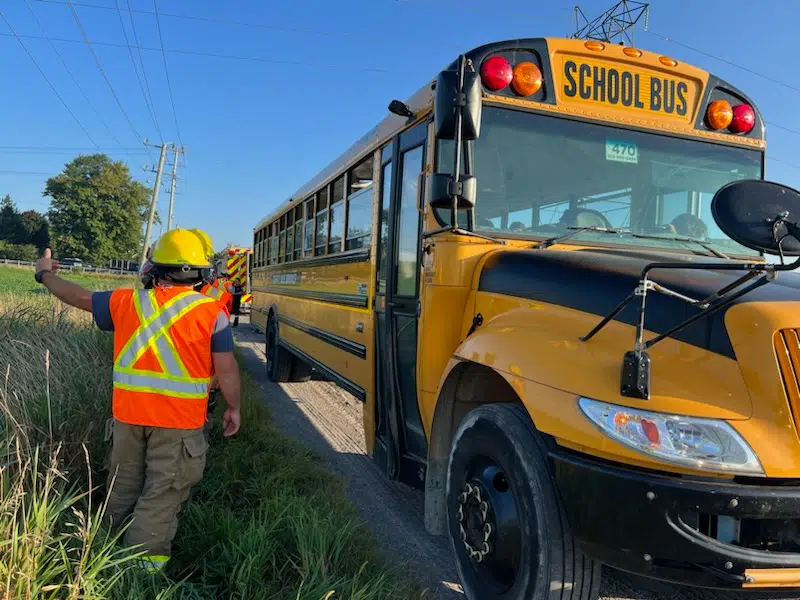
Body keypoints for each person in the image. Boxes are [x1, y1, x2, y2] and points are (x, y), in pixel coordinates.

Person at [32, 228, 242, 573]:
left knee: (123, 482)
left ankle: (103, 549)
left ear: (155, 267)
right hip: (178, 424)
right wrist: (233, 407)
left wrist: (43, 273)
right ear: (202, 272)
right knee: (163, 491)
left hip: (127, 418)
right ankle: (140, 570)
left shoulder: (127, 302)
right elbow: (228, 370)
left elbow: (79, 297)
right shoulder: (211, 313)